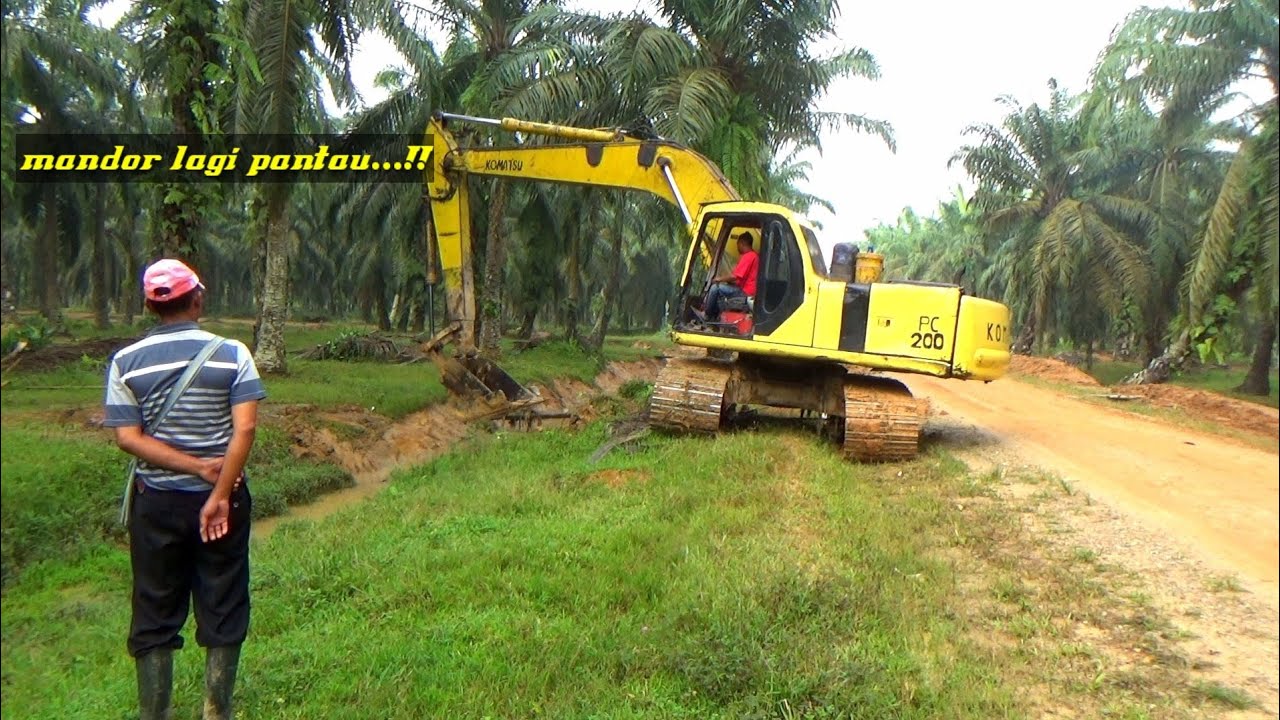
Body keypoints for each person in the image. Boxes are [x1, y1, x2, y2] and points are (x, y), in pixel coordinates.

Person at [103, 258, 266, 720]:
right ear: (197, 299)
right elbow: (246, 430)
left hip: (156, 503)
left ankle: (155, 714)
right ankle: (217, 711)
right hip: (224, 501)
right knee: (224, 599)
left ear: (151, 307)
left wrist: (191, 469)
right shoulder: (232, 353)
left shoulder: (125, 362)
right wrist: (216, 492)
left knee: (154, 608)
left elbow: (128, 438)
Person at [702, 230, 759, 320]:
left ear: (742, 243)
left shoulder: (749, 256)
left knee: (715, 288)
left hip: (745, 292)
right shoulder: (754, 256)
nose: (737, 247)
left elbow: (735, 276)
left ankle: (707, 315)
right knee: (723, 289)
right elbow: (739, 278)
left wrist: (719, 279)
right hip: (746, 290)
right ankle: (716, 316)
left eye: (738, 244)